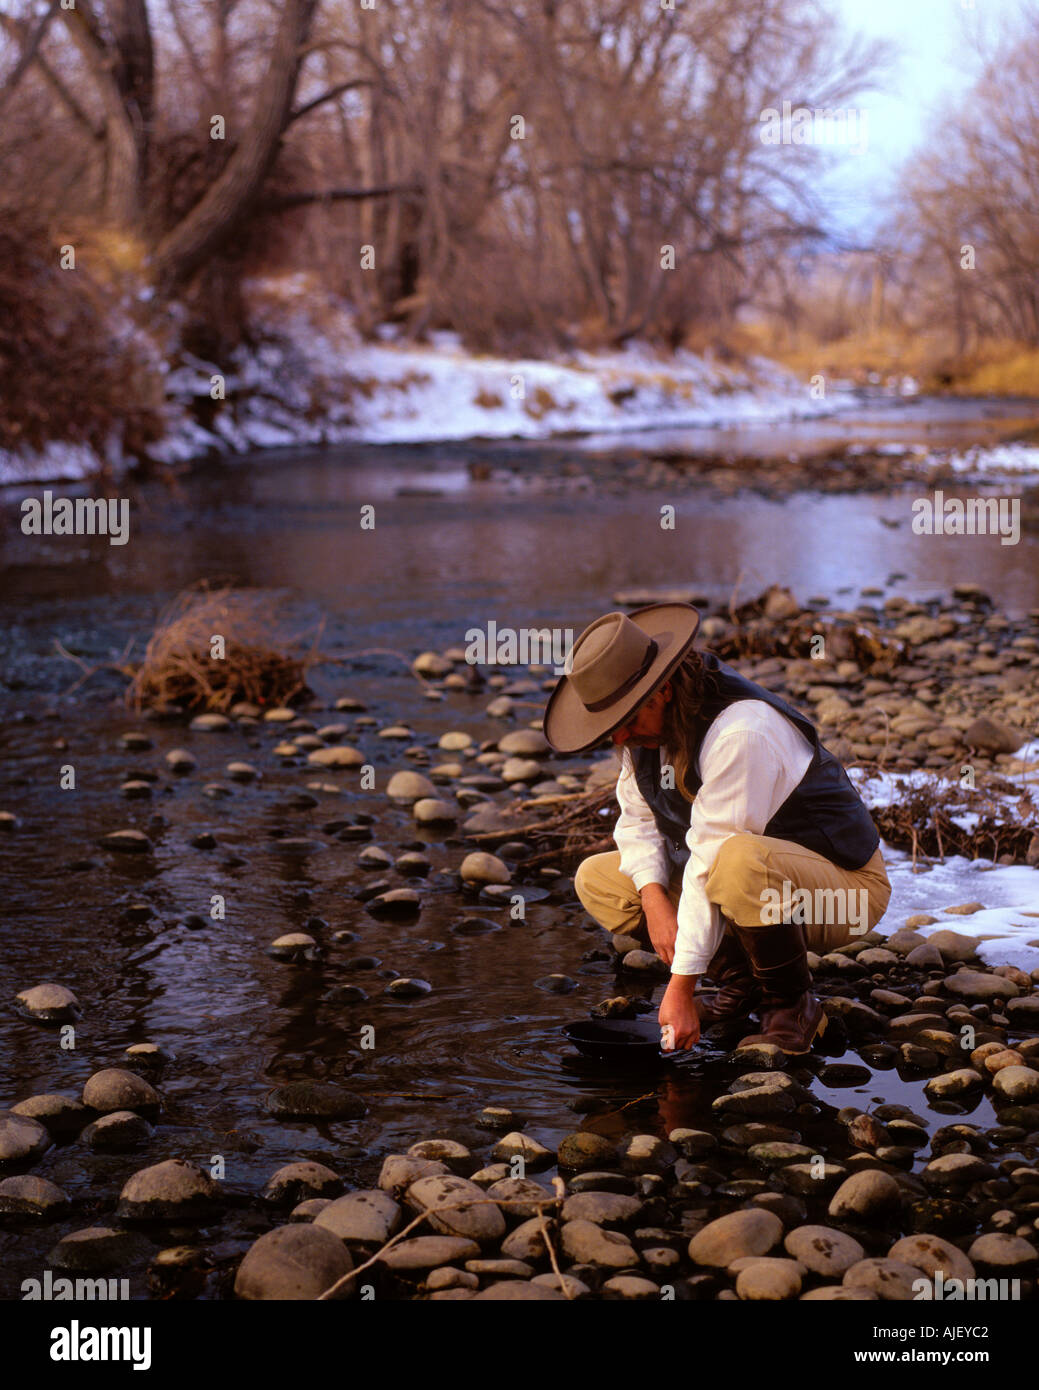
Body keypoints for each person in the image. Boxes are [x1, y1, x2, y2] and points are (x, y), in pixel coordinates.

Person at [542, 603, 891, 1054]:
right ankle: (739, 986)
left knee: (738, 862)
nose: (620, 738)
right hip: (754, 880)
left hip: (845, 893)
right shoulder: (645, 732)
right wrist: (653, 902)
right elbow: (637, 822)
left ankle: (791, 1004)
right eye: (610, 727)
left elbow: (712, 855)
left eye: (626, 721)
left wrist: (680, 986)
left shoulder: (740, 731)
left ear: (661, 690)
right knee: (600, 878)